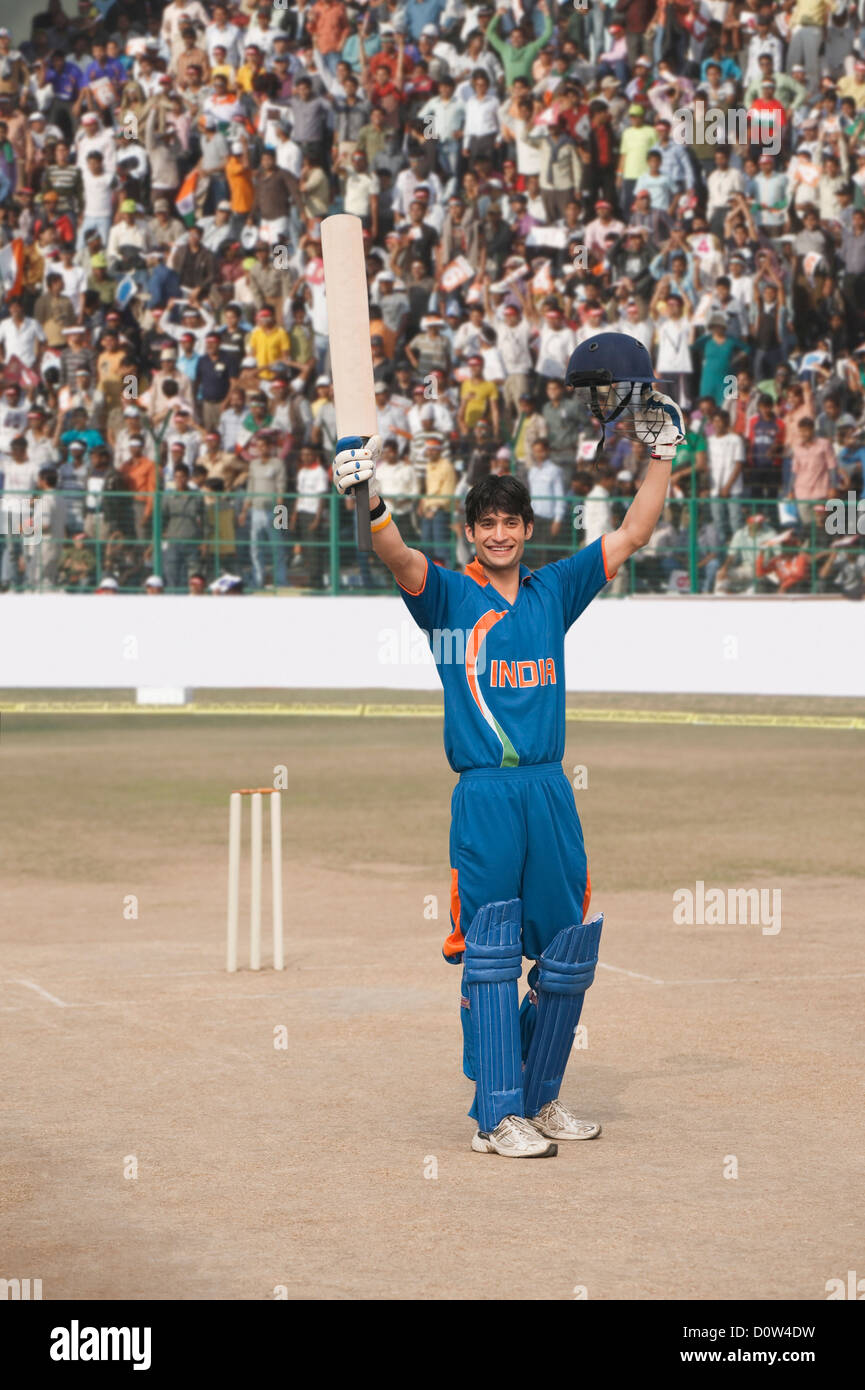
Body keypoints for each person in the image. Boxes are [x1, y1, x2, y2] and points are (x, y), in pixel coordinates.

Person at [329, 335, 685, 1157]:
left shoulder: (553, 589)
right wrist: (368, 496)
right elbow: (391, 553)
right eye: (485, 523)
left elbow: (630, 533)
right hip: (485, 793)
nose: (498, 533)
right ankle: (494, 1115)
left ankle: (541, 1095)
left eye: (510, 522)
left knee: (563, 951)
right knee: (489, 950)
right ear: (470, 532)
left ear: (527, 528)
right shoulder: (446, 597)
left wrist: (663, 453)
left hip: (549, 793)